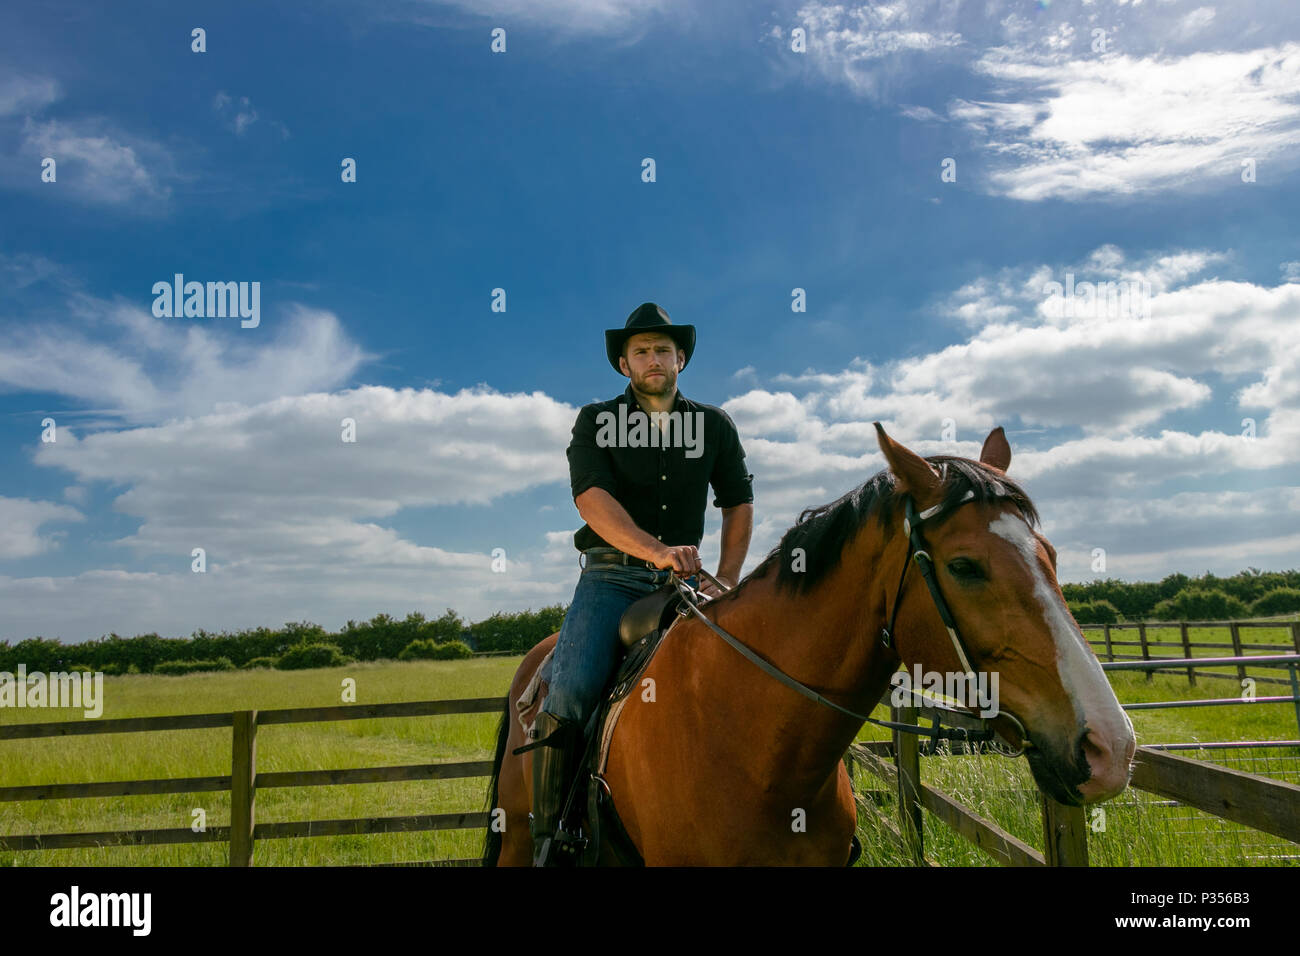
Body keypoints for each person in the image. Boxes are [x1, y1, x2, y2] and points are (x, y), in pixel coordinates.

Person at [529, 301, 755, 866]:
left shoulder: (715, 426)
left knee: (756, 672)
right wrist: (655, 550)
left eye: (661, 349)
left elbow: (738, 501)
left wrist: (727, 578)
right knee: (574, 686)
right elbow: (592, 501)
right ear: (623, 366)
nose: (652, 358)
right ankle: (553, 834)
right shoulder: (594, 422)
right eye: (640, 351)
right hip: (611, 579)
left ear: (681, 358)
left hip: (688, 584)